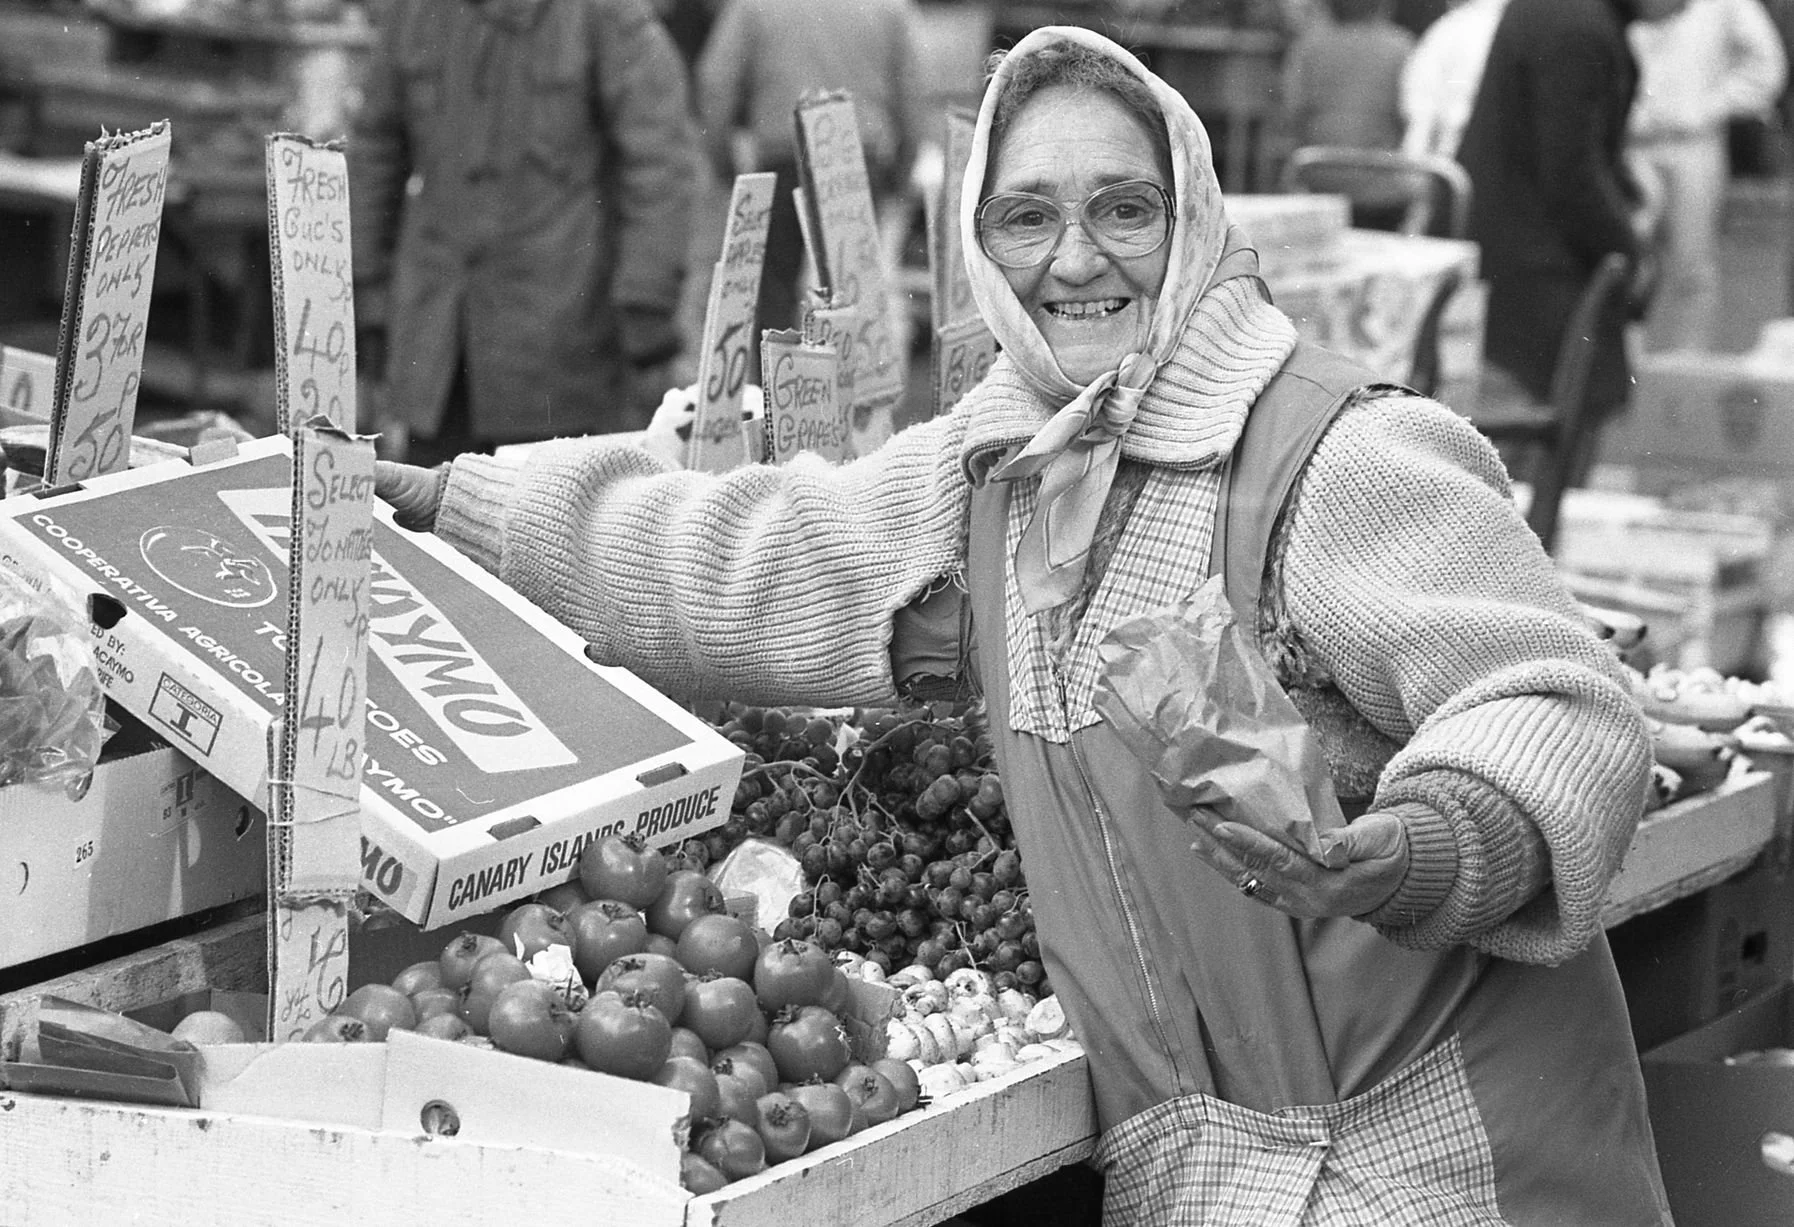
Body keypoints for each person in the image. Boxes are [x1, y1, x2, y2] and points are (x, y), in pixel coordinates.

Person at [378, 26, 1671, 1223]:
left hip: (1449, 1160)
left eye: (1124, 209)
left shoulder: (1335, 455)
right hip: (1215, 1181)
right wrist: (466, 506)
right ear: (981, 249)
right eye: (1027, 217)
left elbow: (1552, 701)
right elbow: (750, 558)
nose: (1076, 258)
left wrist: (1421, 850)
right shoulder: (1002, 472)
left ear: (1194, 217)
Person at [349, 0, 699, 465]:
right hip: (438, 346)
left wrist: (646, 305)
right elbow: (374, 151)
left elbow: (658, 161)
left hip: (562, 348)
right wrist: (367, 291)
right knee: (432, 500)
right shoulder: (415, 14)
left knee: (553, 502)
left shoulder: (604, 15)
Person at [1456, 0, 1647, 484]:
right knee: (1532, 456)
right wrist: (1633, 253)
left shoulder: (1567, 16)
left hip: (1517, 261)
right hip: (1538, 274)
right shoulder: (1576, 27)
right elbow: (1571, 175)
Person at [692, 0, 922, 334]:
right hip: (858, 162)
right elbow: (913, 94)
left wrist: (723, 162)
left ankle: (773, 368)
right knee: (852, 291)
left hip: (780, 158)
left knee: (773, 292)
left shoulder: (752, 6)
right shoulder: (890, 7)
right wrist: (900, 171)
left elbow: (716, 82)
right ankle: (849, 365)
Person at [1627, 0, 1788, 353]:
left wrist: (1710, 105)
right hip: (1631, 141)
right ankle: (1622, 368)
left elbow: (1766, 64)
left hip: (1693, 141)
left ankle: (1687, 367)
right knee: (1627, 261)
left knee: (1693, 268)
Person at [1278, 0, 1415, 154]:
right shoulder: (1401, 46)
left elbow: (1291, 109)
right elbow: (1412, 114)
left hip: (1318, 160)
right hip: (1381, 162)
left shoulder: (1308, 46)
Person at [1399, 0, 1510, 161]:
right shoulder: (1450, 29)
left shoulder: (1449, 29)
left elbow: (1419, 116)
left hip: (1453, 153)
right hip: (1462, 155)